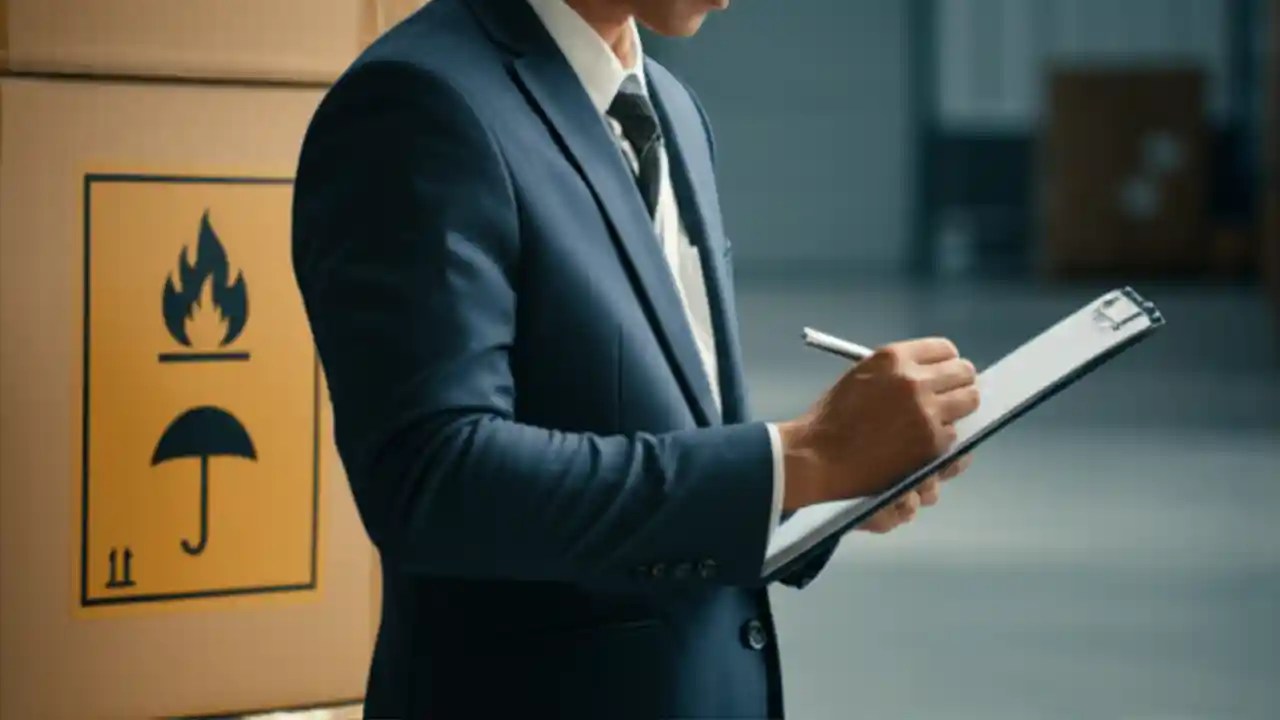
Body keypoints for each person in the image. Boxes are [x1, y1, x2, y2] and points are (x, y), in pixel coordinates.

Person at [290, 0, 980, 716]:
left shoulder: (671, 108)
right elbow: (435, 483)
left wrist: (826, 484)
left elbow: (665, 430)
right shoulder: (419, 102)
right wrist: (799, 457)